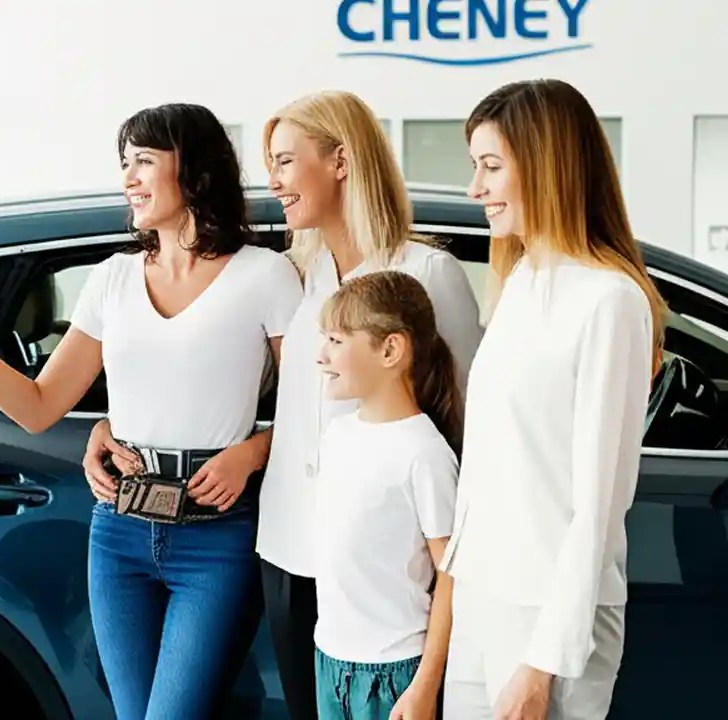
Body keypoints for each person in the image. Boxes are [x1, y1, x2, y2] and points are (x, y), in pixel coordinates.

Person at [85, 89, 482, 720]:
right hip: (290, 547)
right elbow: (195, 371)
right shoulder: (301, 274)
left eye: (286, 162)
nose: (272, 182)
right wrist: (108, 421)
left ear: (343, 161)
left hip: (386, 562)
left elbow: (467, 428)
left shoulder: (429, 274)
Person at [0, 103, 303, 719]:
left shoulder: (265, 275)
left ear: (194, 172)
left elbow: (317, 408)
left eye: (145, 161)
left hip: (218, 537)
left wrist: (254, 451)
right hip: (118, 530)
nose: (129, 178)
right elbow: (38, 406)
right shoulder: (113, 279)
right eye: (125, 163)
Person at [440, 78, 666, 720]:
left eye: (491, 167)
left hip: (548, 622)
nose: (475, 189)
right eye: (475, 167)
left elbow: (598, 506)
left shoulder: (609, 301)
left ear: (546, 166)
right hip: (484, 602)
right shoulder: (517, 282)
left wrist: (542, 664)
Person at [309, 270, 460, 720]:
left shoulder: (424, 454)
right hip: (330, 658)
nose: (322, 356)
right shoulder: (337, 435)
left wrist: (425, 686)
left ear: (391, 349)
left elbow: (452, 579)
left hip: (396, 672)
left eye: (336, 340)